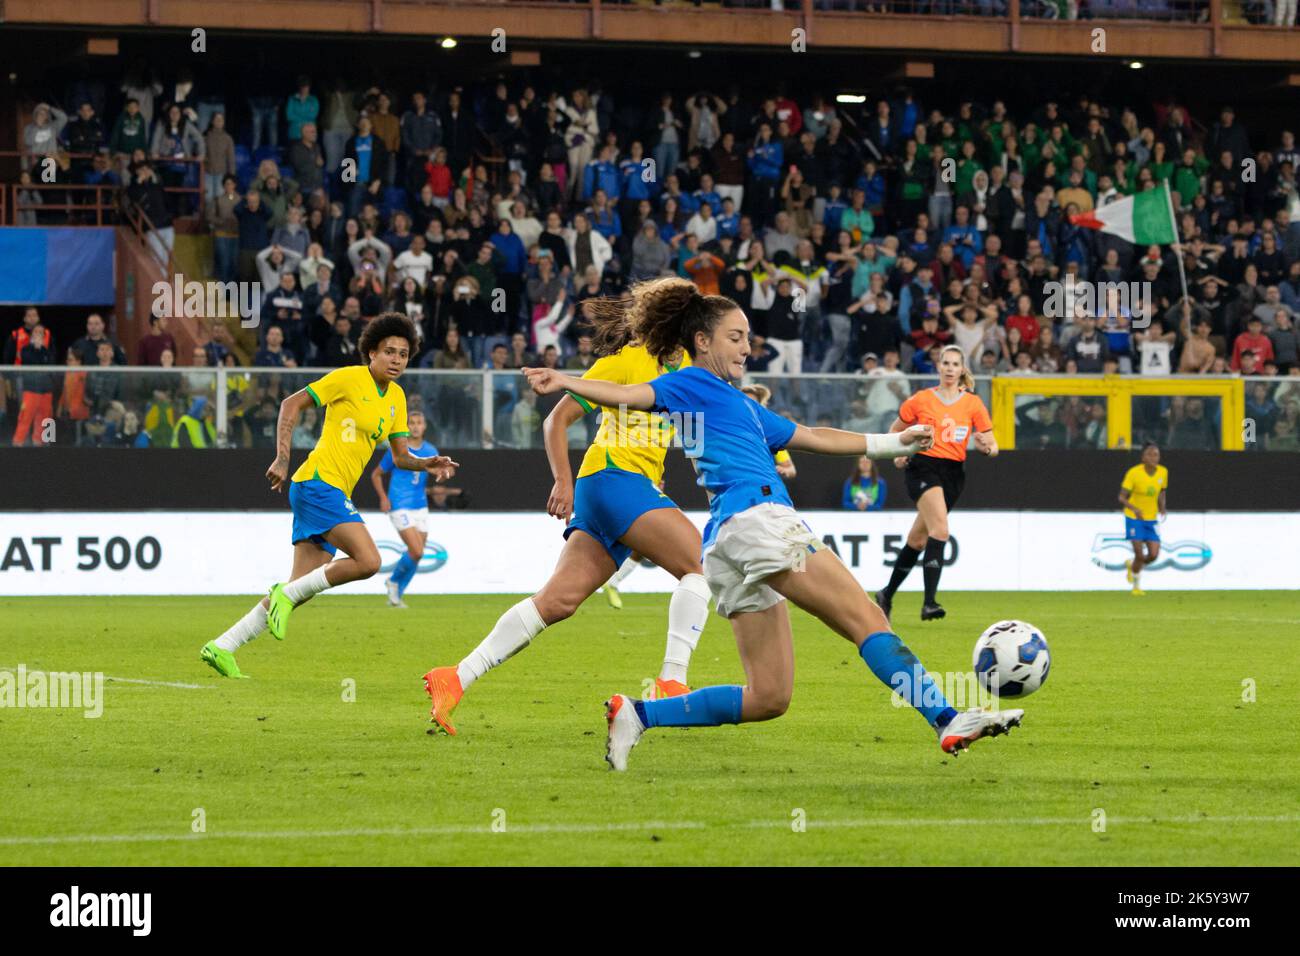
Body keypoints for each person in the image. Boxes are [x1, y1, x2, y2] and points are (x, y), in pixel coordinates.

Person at [522, 278, 1022, 771]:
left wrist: (892, 443)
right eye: (735, 337)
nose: (747, 348)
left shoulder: (739, 403)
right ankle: (947, 716)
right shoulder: (690, 382)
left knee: (768, 696)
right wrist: (567, 381)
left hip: (727, 543)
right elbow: (628, 395)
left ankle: (638, 714)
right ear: (702, 341)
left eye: (748, 339)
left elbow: (810, 435)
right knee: (867, 619)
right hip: (760, 521)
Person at [420, 288, 715, 735]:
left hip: (616, 490)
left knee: (556, 603)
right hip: (615, 480)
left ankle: (456, 677)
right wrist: (561, 480)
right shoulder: (623, 362)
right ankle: (673, 681)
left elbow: (688, 438)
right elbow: (555, 419)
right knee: (701, 566)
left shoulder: (684, 372)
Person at [199, 314, 458, 679]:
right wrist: (282, 457)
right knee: (368, 561)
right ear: (371, 352)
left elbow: (399, 456)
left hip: (324, 490)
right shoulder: (348, 378)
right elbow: (291, 404)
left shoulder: (397, 397)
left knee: (298, 589)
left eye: (403, 354)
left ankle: (223, 645)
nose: (397, 360)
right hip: (319, 483)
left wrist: (426, 462)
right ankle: (281, 597)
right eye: (389, 352)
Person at [875, 345, 997, 622]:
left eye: (955, 364)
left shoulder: (973, 404)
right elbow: (895, 431)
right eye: (946, 363)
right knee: (940, 530)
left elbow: (993, 445)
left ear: (962, 369)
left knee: (918, 539)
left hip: (954, 473)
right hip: (923, 466)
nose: (950, 368)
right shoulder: (921, 400)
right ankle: (929, 602)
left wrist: (987, 447)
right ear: (939, 367)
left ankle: (886, 594)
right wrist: (899, 453)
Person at [369, 408, 440, 608]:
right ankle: (393, 582)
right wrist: (383, 498)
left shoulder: (430, 451)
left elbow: (435, 471)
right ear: (406, 427)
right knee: (416, 551)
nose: (416, 426)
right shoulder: (397, 450)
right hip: (399, 503)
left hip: (420, 505)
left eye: (419, 423)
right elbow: (376, 474)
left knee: (417, 553)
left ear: (424, 427)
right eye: (412, 423)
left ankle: (396, 594)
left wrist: (444, 471)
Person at [1118, 442, 1168, 597]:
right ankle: (1136, 586)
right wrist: (1135, 509)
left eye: (1156, 454)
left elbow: (1161, 491)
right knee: (1139, 554)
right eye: (1150, 454)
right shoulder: (1134, 473)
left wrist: (1162, 506)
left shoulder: (1163, 472)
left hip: (1151, 519)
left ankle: (1132, 566)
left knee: (1153, 555)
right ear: (1143, 457)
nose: (1154, 457)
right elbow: (1121, 497)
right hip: (1134, 518)